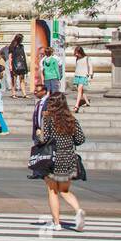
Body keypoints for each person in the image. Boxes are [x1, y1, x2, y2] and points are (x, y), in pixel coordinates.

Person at [40, 93, 87, 232]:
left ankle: (57, 223)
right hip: (68, 158)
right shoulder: (71, 119)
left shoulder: (48, 119)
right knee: (65, 191)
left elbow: (45, 139)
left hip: (53, 158)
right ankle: (78, 210)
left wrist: (39, 134)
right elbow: (80, 139)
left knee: (52, 191)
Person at [71, 46, 93, 112]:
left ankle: (76, 105)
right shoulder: (77, 59)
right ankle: (87, 102)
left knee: (79, 89)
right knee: (81, 91)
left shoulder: (87, 58)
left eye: (77, 53)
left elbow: (90, 66)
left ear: (81, 52)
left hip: (84, 76)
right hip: (77, 75)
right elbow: (77, 67)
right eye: (76, 53)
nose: (76, 54)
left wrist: (90, 75)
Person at [9, 33, 30, 98]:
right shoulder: (12, 46)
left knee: (22, 79)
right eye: (22, 39)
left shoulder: (22, 46)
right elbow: (10, 56)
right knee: (14, 80)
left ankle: (24, 94)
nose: (22, 40)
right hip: (14, 64)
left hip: (22, 64)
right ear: (19, 39)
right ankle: (13, 93)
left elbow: (23, 55)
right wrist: (10, 65)